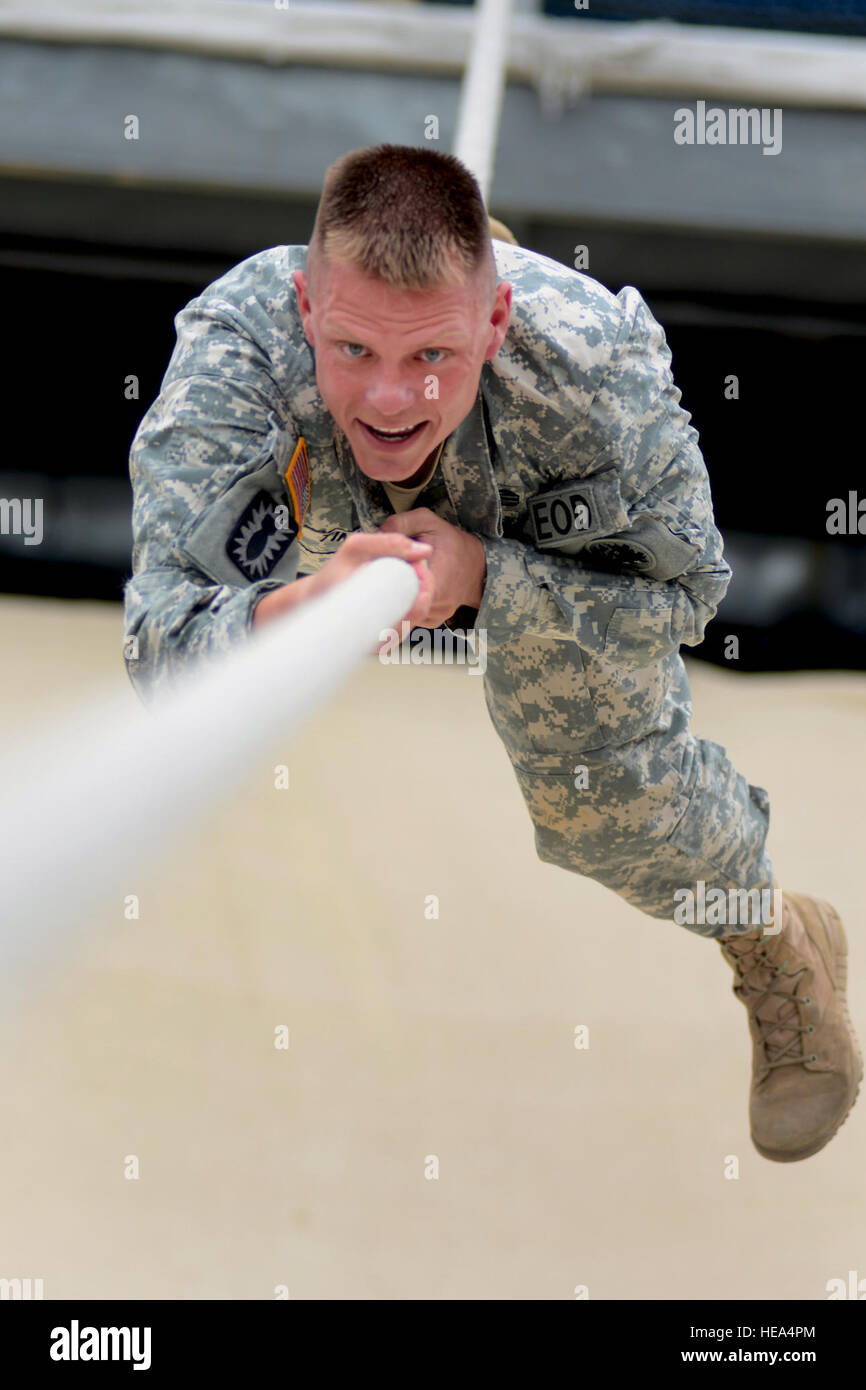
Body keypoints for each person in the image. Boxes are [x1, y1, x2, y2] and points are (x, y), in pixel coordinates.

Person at [124, 144, 861, 1163]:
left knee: (599, 801)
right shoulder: (236, 356)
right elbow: (161, 646)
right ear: (304, 309)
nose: (387, 399)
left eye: (427, 352)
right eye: (352, 349)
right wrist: (297, 606)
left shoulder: (594, 366)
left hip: (526, 504)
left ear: (494, 320)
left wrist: (487, 581)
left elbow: (682, 602)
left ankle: (772, 936)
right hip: (325, 511)